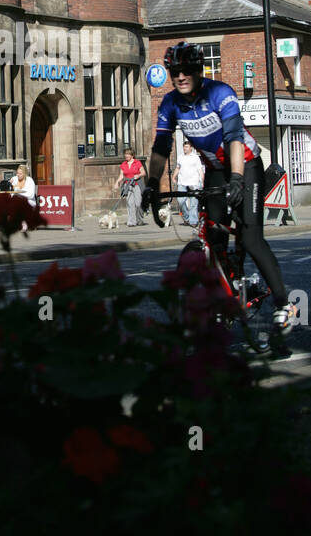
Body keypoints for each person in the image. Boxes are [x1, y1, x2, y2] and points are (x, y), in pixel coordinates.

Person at [141, 41, 297, 346]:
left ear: (200, 71)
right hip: (213, 168)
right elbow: (160, 148)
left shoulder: (220, 94)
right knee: (213, 234)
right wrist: (152, 184)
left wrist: (238, 178)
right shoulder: (170, 104)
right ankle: (226, 291)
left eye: (187, 70)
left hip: (246, 164)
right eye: (175, 71)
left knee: (251, 237)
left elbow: (234, 137)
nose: (180, 76)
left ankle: (283, 304)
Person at [174, 137, 204, 228]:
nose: (185, 149)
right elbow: (178, 168)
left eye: (186, 147)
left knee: (193, 203)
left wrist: (202, 181)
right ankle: (186, 218)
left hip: (193, 182)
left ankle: (193, 221)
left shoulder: (195, 157)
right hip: (182, 182)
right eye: (184, 147)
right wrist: (173, 176)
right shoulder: (180, 157)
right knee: (180, 201)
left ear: (191, 148)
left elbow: (200, 170)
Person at [114, 146, 145, 227]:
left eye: (128, 154)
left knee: (138, 203)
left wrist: (138, 175)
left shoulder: (137, 162)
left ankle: (139, 219)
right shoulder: (123, 164)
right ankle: (131, 221)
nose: (126, 156)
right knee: (130, 203)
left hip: (136, 184)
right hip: (127, 184)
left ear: (132, 155)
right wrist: (117, 183)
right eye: (125, 154)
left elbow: (143, 173)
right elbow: (121, 175)